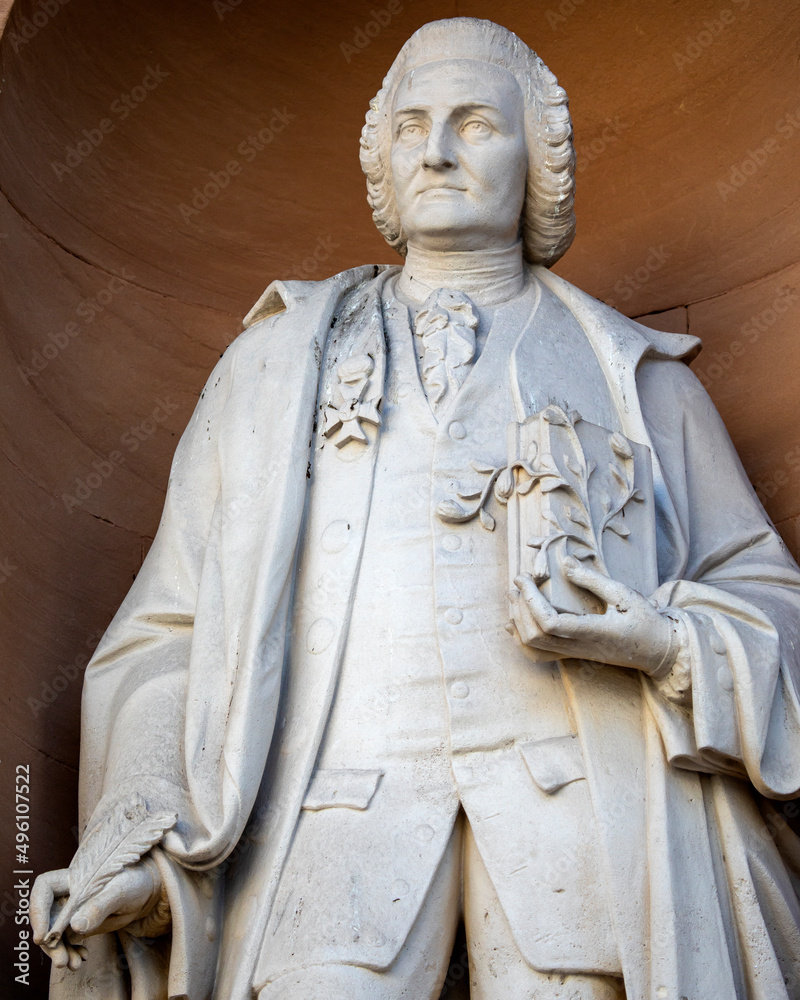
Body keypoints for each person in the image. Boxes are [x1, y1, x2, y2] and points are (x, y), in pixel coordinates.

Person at [32, 17, 800, 1000]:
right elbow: (171, 634)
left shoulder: (639, 386)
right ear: (381, 164)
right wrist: (141, 831)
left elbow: (771, 603)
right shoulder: (270, 369)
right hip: (331, 832)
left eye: (474, 122)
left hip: (590, 831)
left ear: (540, 161)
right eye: (409, 126)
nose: (434, 149)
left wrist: (661, 642)